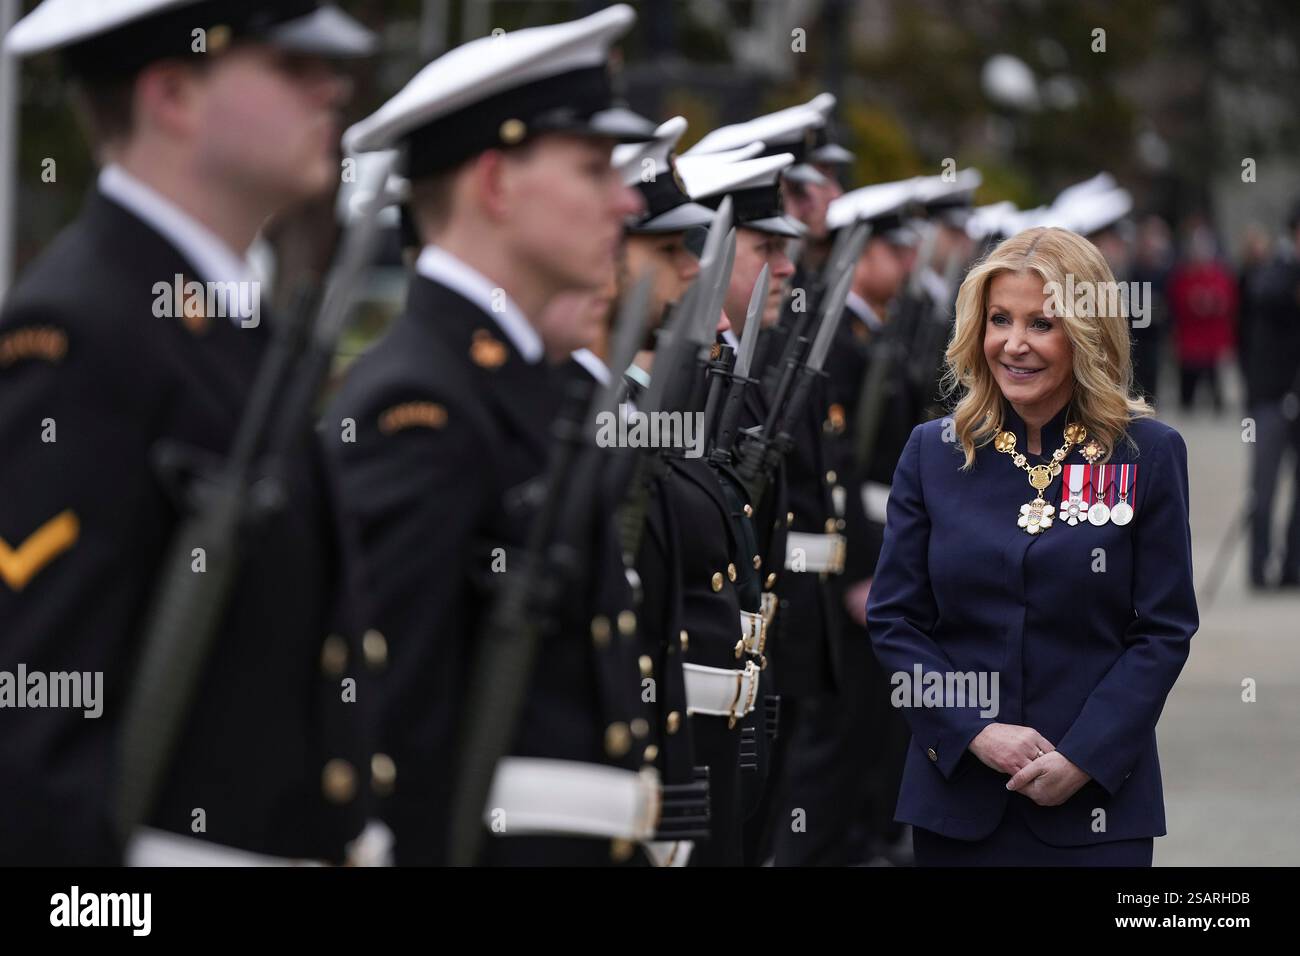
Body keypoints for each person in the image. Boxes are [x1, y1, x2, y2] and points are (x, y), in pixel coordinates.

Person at [0, 0, 380, 865]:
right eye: (290, 65)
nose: (333, 88)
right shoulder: (78, 334)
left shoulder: (224, 330)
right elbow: (31, 734)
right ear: (172, 93)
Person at [325, 5, 676, 866]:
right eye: (593, 168)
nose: (626, 201)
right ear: (494, 183)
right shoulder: (420, 406)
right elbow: (386, 726)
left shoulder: (521, 384)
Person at [867, 227, 1198, 866]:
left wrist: (1086, 754)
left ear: (1087, 333)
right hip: (958, 802)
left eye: (1041, 324)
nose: (1014, 344)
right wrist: (974, 732)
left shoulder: (1148, 454)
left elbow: (1162, 630)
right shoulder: (931, 454)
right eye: (998, 320)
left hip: (1097, 805)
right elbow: (896, 621)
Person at [1241, 200, 1300, 589]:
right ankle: (1260, 566)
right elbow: (1263, 295)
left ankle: (1294, 566)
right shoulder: (1276, 271)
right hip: (1271, 399)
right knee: (1263, 489)